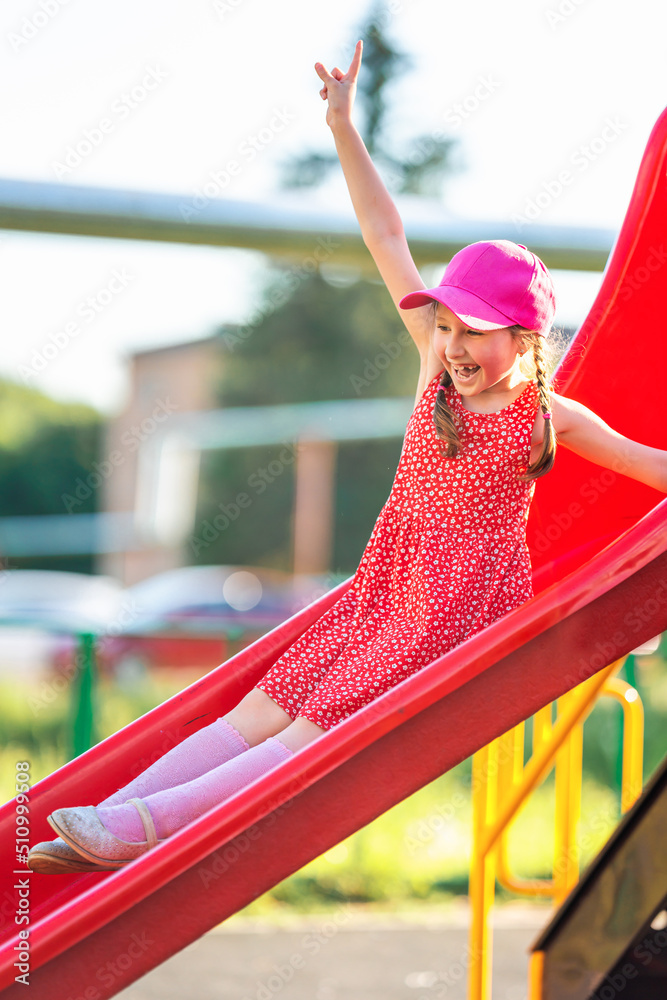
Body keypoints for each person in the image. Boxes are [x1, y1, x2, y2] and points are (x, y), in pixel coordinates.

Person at [28, 41, 667, 874]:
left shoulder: (546, 416)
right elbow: (385, 233)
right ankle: (110, 819)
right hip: (386, 583)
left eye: (474, 329)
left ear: (523, 336)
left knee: (308, 724)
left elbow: (645, 464)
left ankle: (147, 830)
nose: (454, 343)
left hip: (454, 608)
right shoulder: (432, 374)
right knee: (266, 702)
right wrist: (342, 127)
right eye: (445, 325)